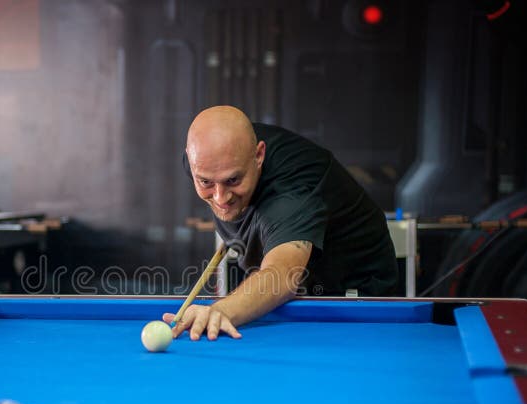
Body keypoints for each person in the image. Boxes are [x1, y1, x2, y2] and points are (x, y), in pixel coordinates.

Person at [162, 105, 397, 341]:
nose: (220, 197)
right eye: (205, 182)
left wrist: (220, 311)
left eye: (233, 180)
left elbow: (283, 275)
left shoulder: (293, 192)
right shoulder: (203, 160)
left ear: (258, 155)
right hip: (298, 288)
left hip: (355, 297)